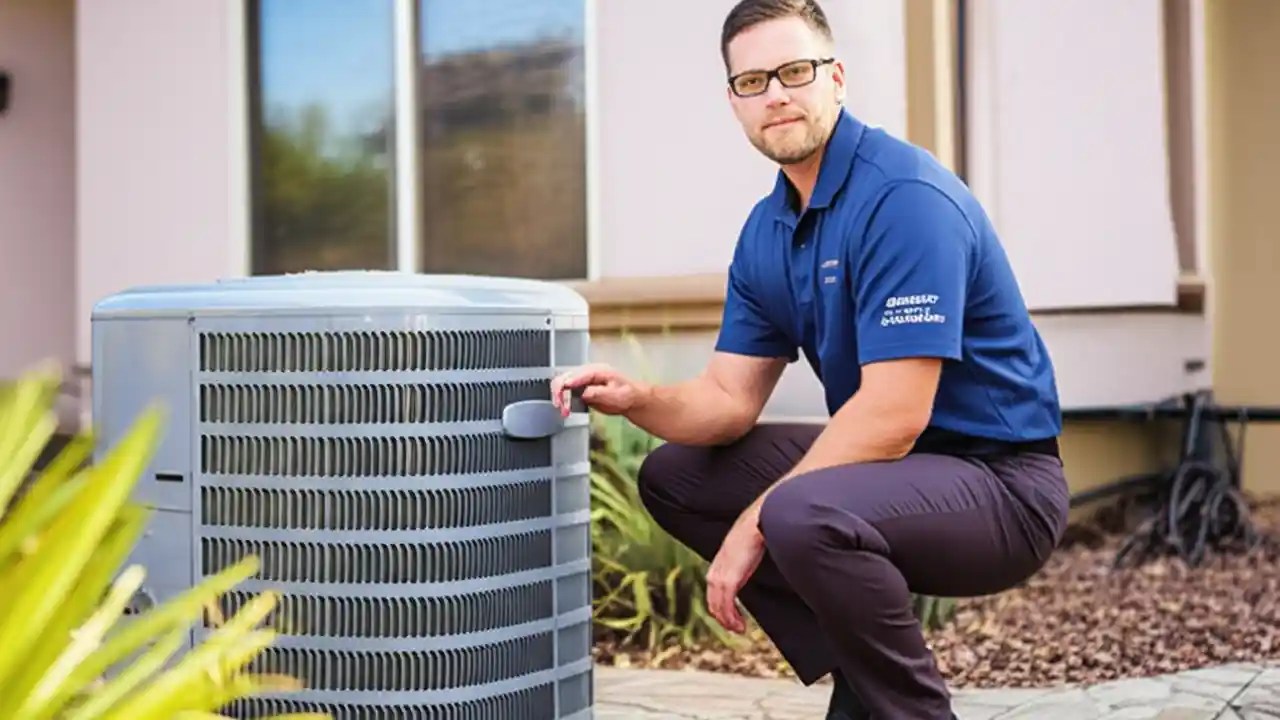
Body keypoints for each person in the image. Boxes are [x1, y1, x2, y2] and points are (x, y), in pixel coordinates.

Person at [551, 0, 1069, 717]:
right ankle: (859, 673)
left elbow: (893, 415)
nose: (776, 95)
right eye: (752, 81)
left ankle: (911, 709)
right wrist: (637, 398)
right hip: (890, 474)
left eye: (795, 71)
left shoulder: (903, 199)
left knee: (796, 511)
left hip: (1001, 485)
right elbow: (728, 400)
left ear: (837, 78)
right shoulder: (768, 230)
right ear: (734, 102)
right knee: (676, 477)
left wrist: (753, 522)